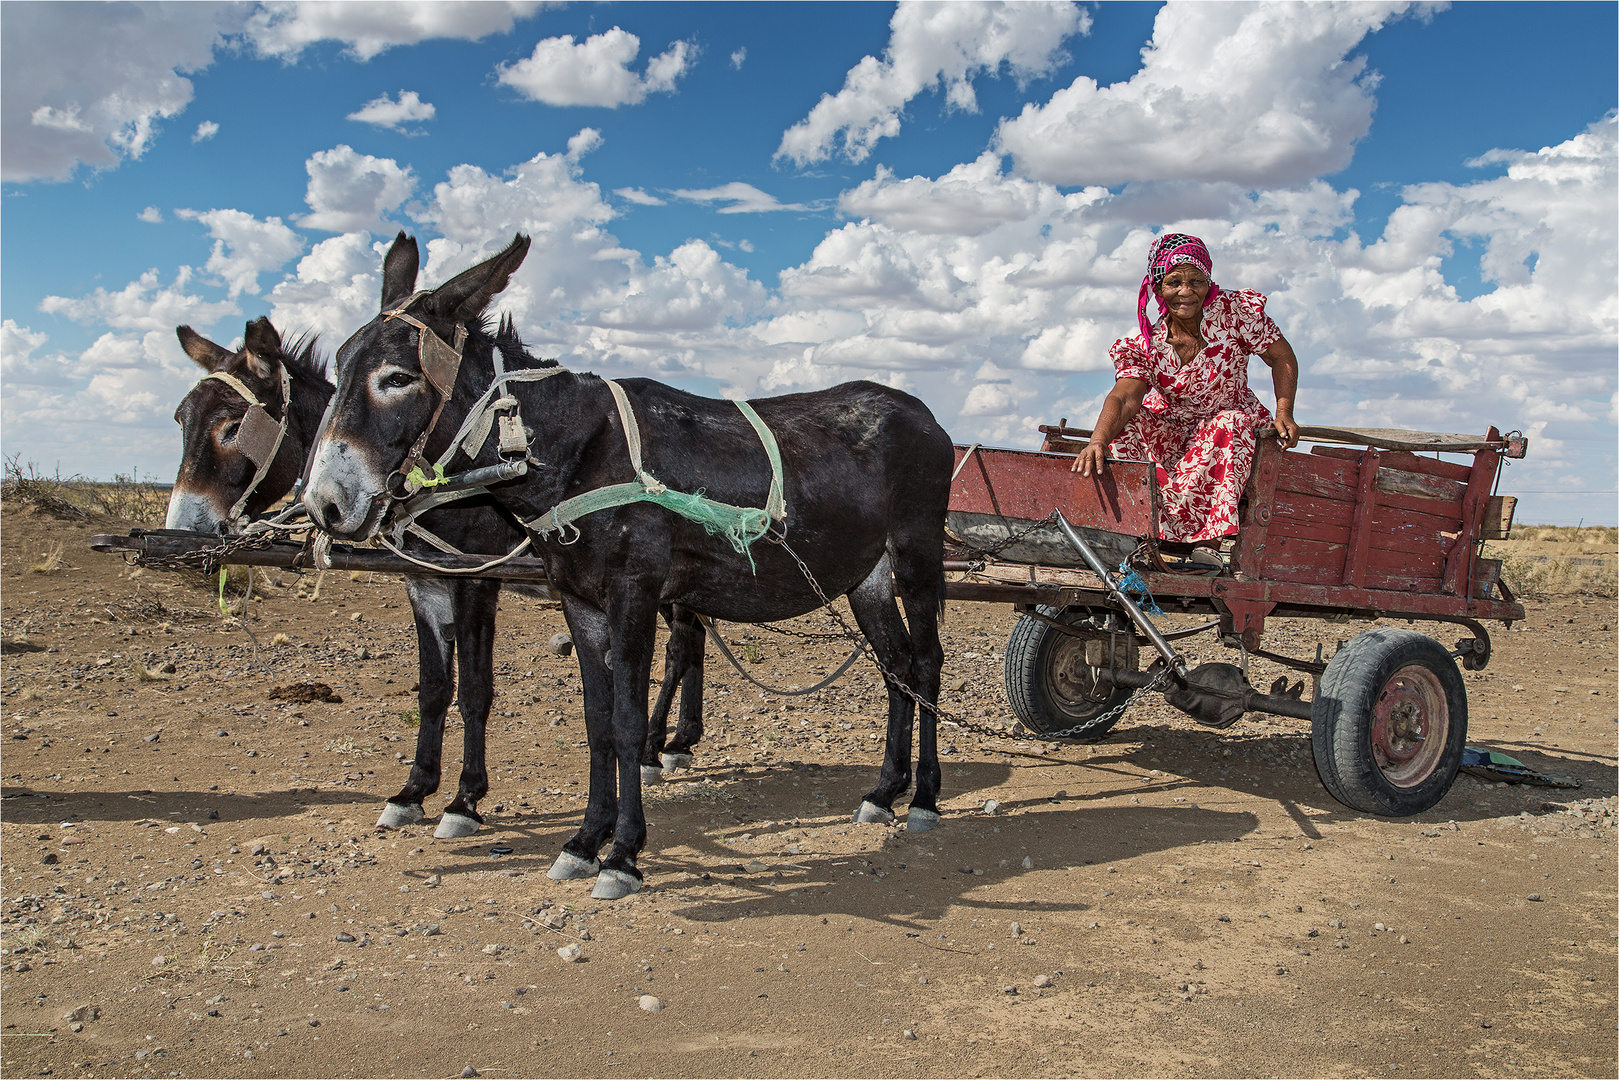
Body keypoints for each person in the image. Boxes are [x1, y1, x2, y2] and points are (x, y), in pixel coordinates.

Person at [1074, 232, 1299, 552]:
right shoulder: (1149, 343)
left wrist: (1284, 412)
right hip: (1171, 429)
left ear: (1209, 281)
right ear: (1158, 288)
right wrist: (1097, 440)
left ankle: (1208, 544)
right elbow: (1125, 396)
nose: (1185, 291)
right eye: (1174, 282)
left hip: (1224, 424)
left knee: (1230, 423)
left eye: (1196, 280)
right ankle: (1143, 532)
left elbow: (1281, 356)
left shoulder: (1236, 314)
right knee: (1129, 425)